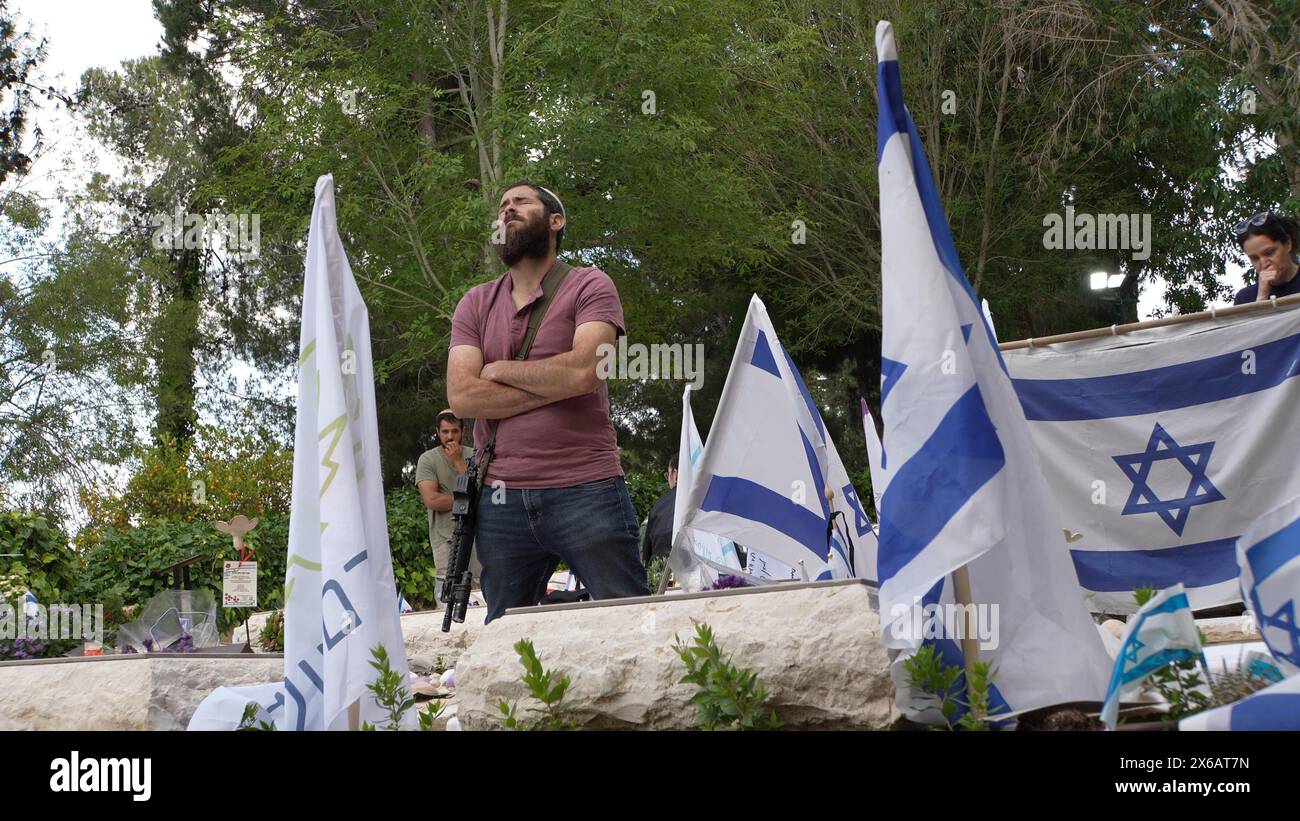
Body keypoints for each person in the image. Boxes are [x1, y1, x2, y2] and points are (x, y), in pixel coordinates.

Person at [446, 181, 649, 622]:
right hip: (499, 498)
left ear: (556, 221)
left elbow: (585, 371)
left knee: (629, 621)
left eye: (520, 201)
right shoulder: (475, 303)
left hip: (586, 487)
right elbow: (462, 396)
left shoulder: (590, 285)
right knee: (506, 637)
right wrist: (553, 382)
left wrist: (498, 371)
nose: (507, 209)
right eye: (502, 206)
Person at [414, 409, 481, 606]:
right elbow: (432, 500)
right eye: (445, 432)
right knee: (448, 589)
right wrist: (468, 498)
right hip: (445, 538)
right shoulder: (428, 459)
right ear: (437, 432)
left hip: (478, 536)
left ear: (462, 431)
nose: (450, 436)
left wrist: (458, 462)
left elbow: (485, 494)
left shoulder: (474, 454)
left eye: (454, 431)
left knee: (478, 588)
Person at [1232, 211, 1300, 304]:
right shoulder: (1244, 298)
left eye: (1269, 253)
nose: (1264, 264)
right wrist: (1262, 297)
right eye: (1255, 258)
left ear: (1288, 243)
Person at [641, 453, 678, 566]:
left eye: (668, 475)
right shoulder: (710, 503)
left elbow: (646, 552)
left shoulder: (658, 506)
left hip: (661, 576)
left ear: (675, 474)